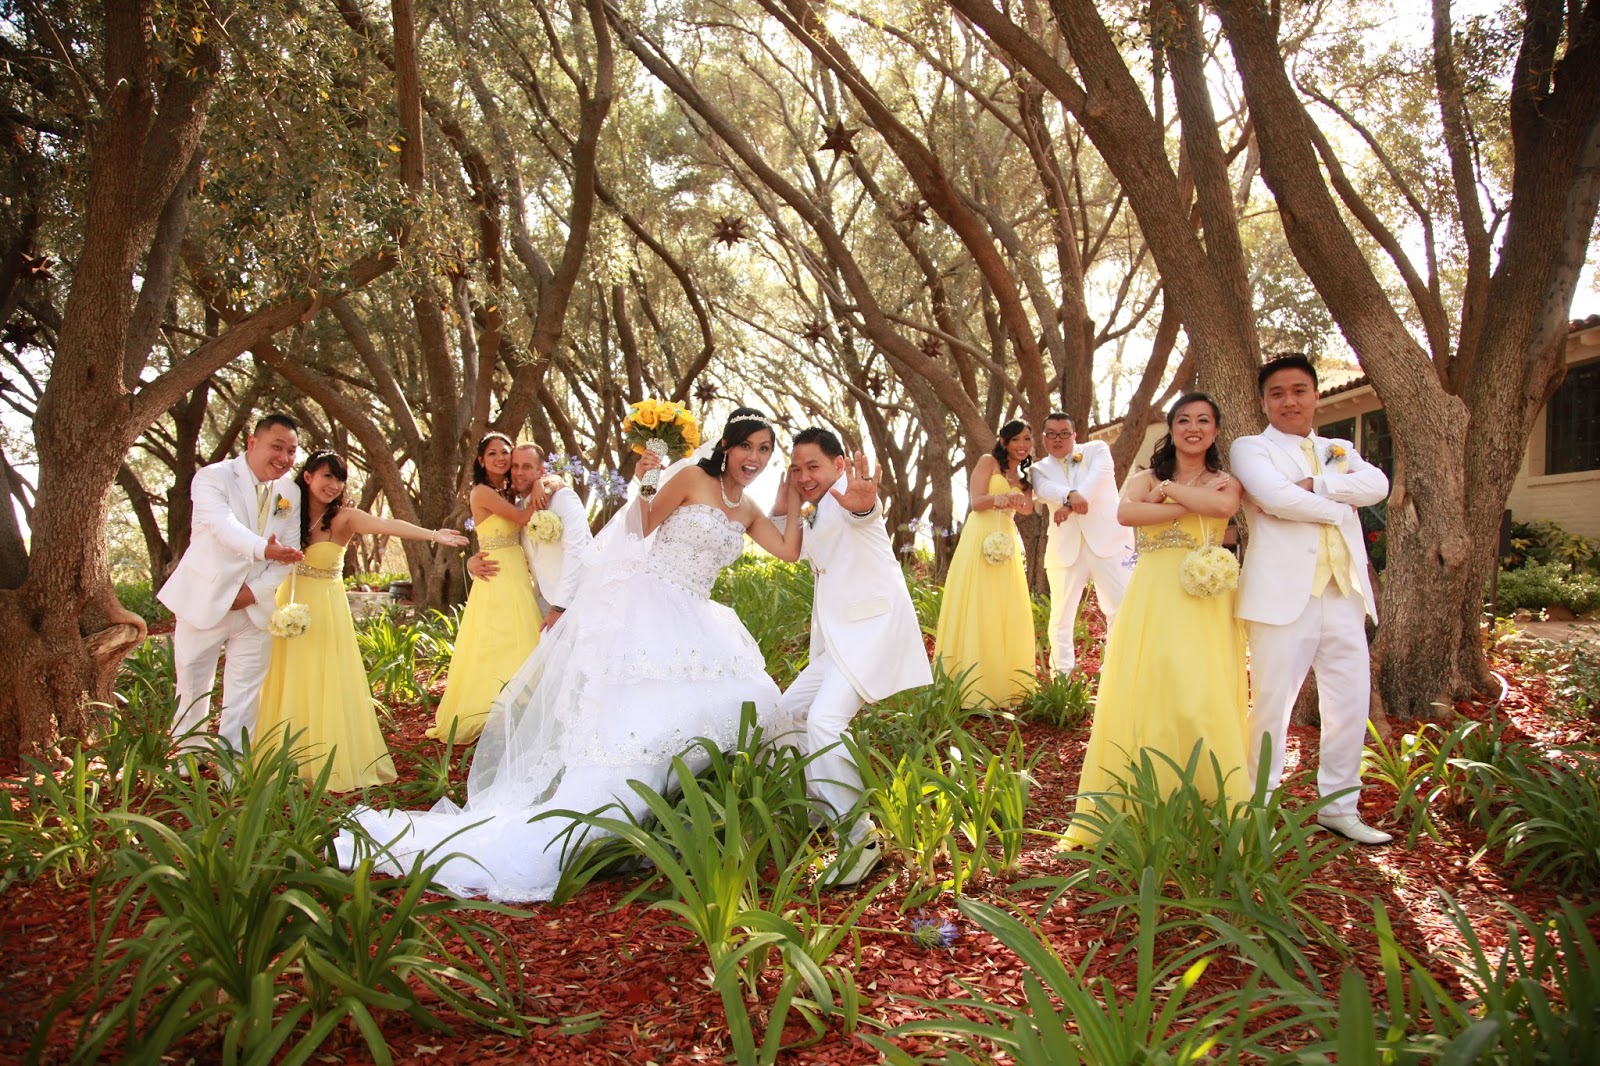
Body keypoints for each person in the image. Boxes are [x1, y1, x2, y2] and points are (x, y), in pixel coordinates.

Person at [337, 408, 803, 902]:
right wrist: (645, 480)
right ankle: (596, 827)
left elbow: (789, 551)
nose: (755, 457)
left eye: (765, 450)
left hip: (699, 616)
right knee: (644, 728)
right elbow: (643, 526)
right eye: (747, 446)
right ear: (726, 447)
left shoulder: (748, 508)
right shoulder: (690, 478)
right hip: (654, 609)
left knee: (747, 702)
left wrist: (792, 499)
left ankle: (674, 822)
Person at [1063, 393, 1249, 847]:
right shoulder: (1148, 476)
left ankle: (1205, 803)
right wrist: (1185, 500)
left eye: (1204, 420)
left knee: (1198, 690)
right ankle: (1142, 799)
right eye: (1184, 419)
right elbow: (1127, 513)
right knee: (1153, 683)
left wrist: (1168, 496)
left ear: (1215, 430)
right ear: (1172, 427)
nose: (1194, 427)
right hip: (1153, 592)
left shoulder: (1226, 480)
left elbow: (1225, 510)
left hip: (1203, 596)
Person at [1231, 354, 1392, 845]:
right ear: (1264, 401)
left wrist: (1316, 485)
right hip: (1282, 597)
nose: (1289, 401)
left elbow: (1378, 485)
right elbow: (1274, 499)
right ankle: (1258, 806)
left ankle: (1340, 807)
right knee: (1272, 707)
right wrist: (1340, 509)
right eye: (1277, 393)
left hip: (1342, 594)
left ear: (1315, 395)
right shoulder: (1250, 448)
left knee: (1349, 703)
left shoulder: (1339, 447)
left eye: (1299, 390)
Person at [772, 429, 933, 887]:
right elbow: (780, 522)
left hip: (870, 630)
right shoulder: (815, 504)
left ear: (839, 466)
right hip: (839, 639)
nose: (804, 476)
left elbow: (866, 513)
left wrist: (864, 502)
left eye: (814, 467)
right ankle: (825, 809)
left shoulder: (849, 496)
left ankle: (860, 837)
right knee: (783, 715)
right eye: (797, 468)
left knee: (824, 720)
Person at [253, 452, 468, 791]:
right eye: (327, 476)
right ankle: (284, 757)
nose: (334, 485)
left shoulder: (344, 518)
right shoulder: (285, 506)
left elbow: (388, 525)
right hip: (288, 605)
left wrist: (433, 535)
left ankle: (325, 760)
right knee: (288, 675)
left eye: (340, 479)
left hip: (325, 609)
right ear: (308, 477)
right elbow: (265, 532)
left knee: (323, 675)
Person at [159, 413, 305, 757]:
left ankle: (233, 771)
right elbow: (223, 526)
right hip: (204, 601)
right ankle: (187, 765)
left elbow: (290, 551)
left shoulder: (289, 492)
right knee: (193, 689)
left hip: (254, 609)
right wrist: (262, 548)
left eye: (292, 452)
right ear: (252, 443)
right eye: (277, 447)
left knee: (245, 694)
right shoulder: (212, 478)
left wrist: (254, 592)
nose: (284, 459)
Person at [428, 432, 548, 744]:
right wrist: (538, 484)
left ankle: (519, 704)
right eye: (492, 453)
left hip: (514, 570)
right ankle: (492, 708)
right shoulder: (482, 491)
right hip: (497, 573)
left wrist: (538, 480)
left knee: (517, 637)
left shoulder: (506, 489)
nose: (500, 458)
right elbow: (524, 518)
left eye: (505, 452)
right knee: (501, 639)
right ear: (481, 461)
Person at [933, 419, 1037, 708]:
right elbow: (977, 501)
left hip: (1005, 541)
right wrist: (1001, 497)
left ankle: (1005, 687)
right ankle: (970, 687)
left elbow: (1027, 509)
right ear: (1004, 441)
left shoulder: (1026, 476)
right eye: (1016, 439)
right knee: (978, 602)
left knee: (1003, 605)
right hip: (980, 537)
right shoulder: (988, 462)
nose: (1022, 445)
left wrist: (1021, 492)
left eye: (1027, 439)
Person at [1027, 412, 1135, 677]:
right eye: (1051, 434)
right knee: (1061, 615)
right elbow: (1044, 489)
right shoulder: (1037, 469)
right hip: (1066, 551)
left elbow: (1097, 480)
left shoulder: (1097, 450)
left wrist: (1072, 504)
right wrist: (1070, 497)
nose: (1057, 439)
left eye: (1064, 433)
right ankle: (1061, 677)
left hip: (1109, 543)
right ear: (1043, 438)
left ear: (1074, 435)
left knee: (1120, 608)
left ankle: (1117, 672)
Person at [466, 444, 593, 633]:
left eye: (526, 466)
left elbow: (577, 553)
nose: (518, 473)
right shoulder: (517, 509)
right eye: (514, 466)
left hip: (579, 600)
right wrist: (472, 565)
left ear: (541, 471)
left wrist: (560, 607)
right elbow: (504, 547)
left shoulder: (564, 499)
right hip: (540, 603)